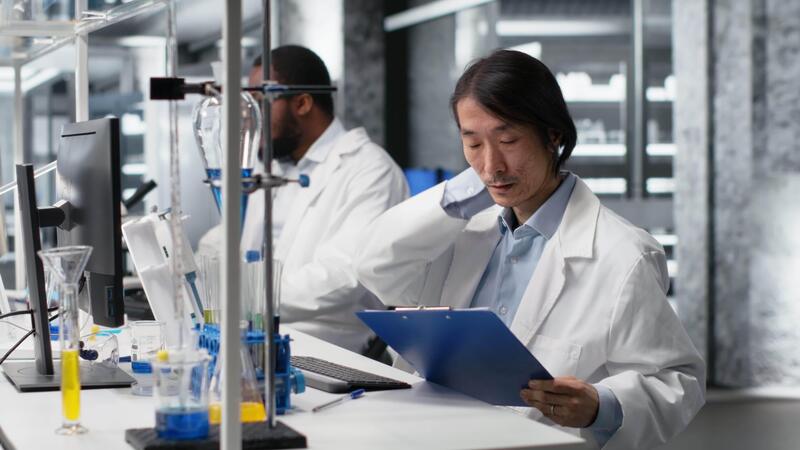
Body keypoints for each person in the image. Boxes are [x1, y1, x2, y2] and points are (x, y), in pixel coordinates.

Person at [355, 49, 705, 449]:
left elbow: (676, 380)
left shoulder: (622, 254)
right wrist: (466, 191)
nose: (491, 164)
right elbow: (373, 264)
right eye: (473, 144)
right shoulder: (462, 233)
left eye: (508, 140)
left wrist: (599, 405)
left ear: (553, 134)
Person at [199, 45, 408, 353]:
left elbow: (344, 277)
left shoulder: (369, 169)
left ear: (302, 102)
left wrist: (243, 296)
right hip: (256, 336)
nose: (250, 122)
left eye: (259, 104)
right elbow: (237, 239)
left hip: (329, 350)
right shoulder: (272, 166)